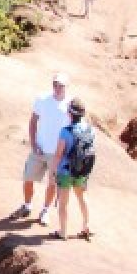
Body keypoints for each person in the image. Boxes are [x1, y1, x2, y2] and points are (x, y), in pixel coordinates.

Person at [18, 72, 72, 225]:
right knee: (28, 178)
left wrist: (66, 151)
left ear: (67, 86)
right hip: (39, 149)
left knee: (52, 183)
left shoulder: (70, 104)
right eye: (55, 84)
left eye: (61, 85)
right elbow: (33, 121)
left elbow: (72, 128)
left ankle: (45, 211)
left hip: (57, 153)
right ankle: (27, 205)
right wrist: (34, 144)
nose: (57, 87)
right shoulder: (42, 99)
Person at [49, 97, 94, 240]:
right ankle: (86, 226)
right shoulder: (90, 129)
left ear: (70, 113)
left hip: (65, 171)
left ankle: (63, 232)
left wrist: (52, 172)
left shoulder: (65, 131)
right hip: (81, 171)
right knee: (82, 198)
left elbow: (58, 154)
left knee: (63, 203)